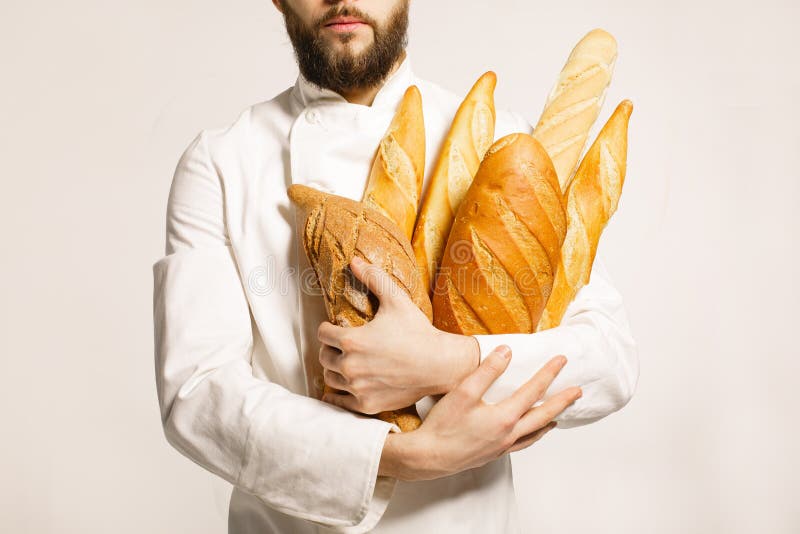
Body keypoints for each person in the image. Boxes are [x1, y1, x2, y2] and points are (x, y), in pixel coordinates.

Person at [151, 1, 639, 532]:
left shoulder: (506, 143)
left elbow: (610, 358)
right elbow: (197, 396)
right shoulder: (220, 163)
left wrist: (445, 361)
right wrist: (406, 456)